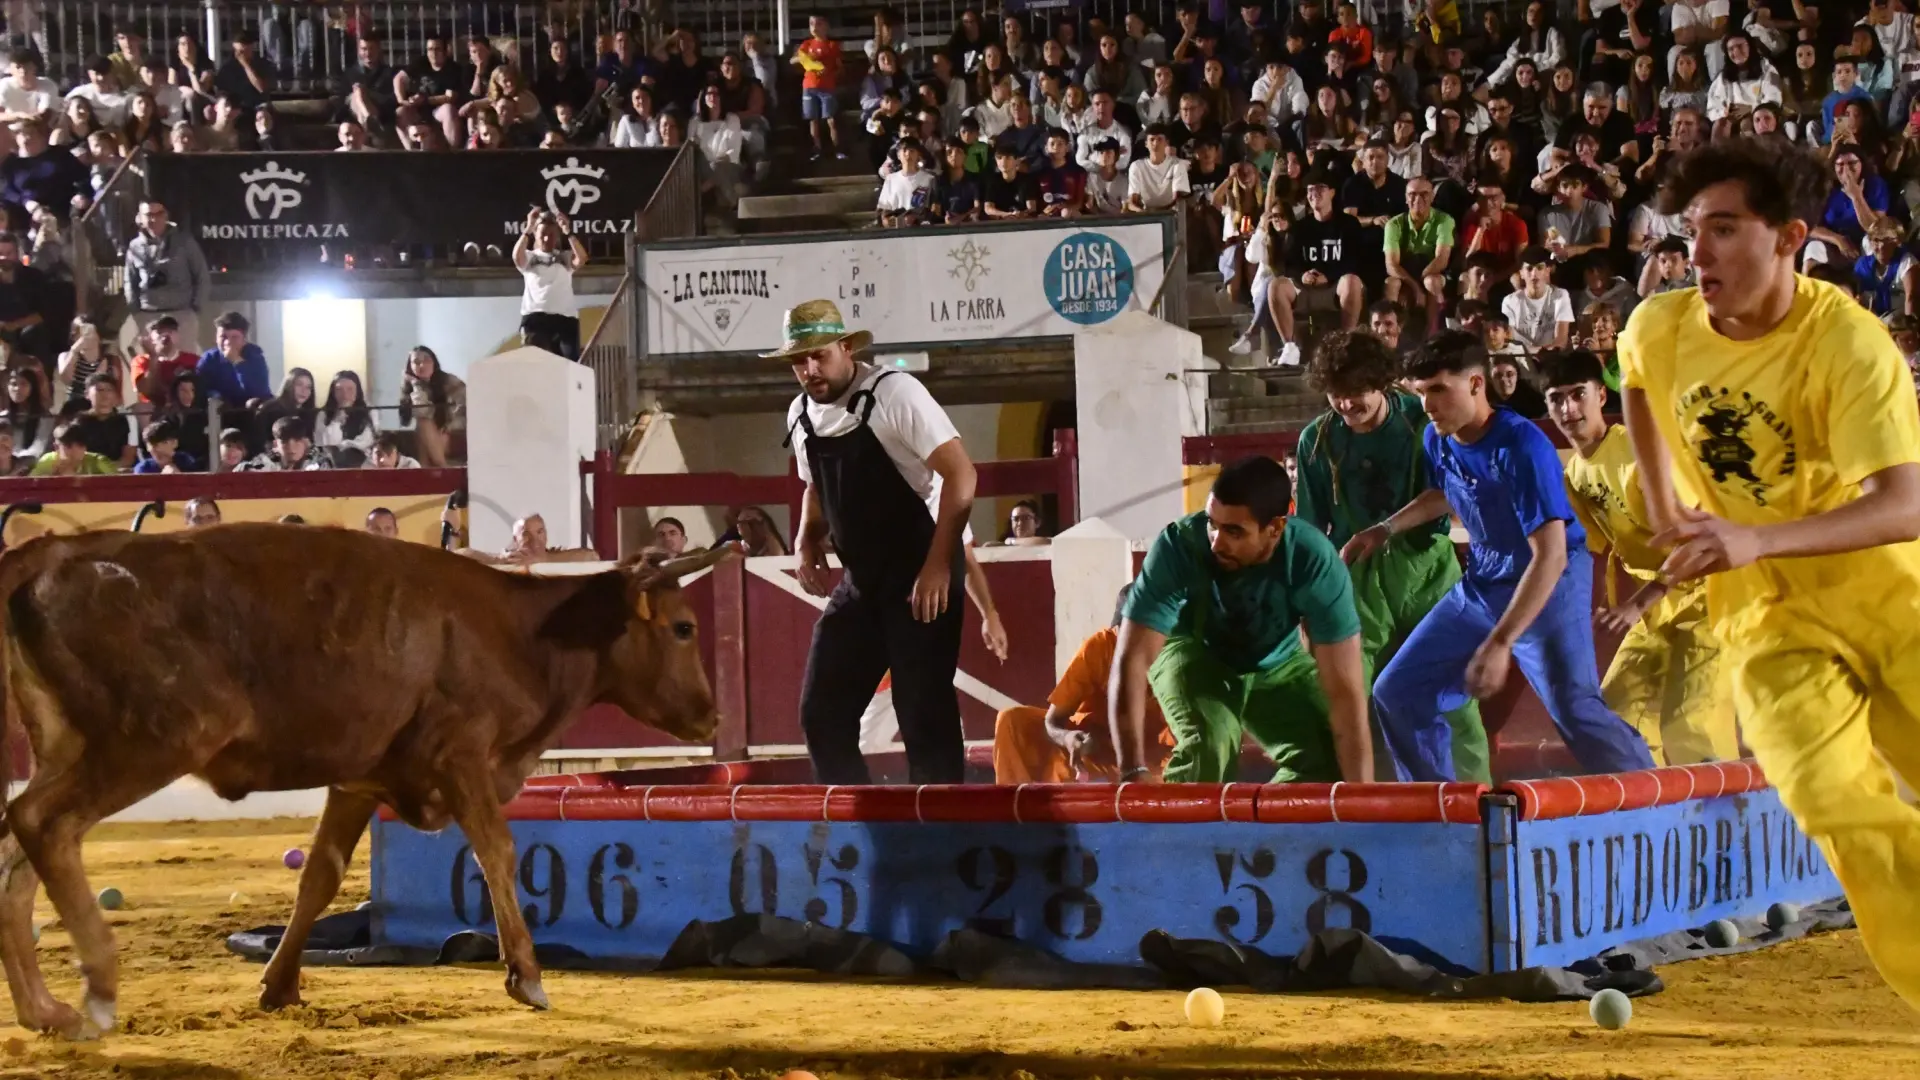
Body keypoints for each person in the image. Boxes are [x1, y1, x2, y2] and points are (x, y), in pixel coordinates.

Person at [1618, 140, 1920, 1011]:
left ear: (1790, 237)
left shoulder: (1849, 344)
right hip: (1766, 627)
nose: (1696, 253)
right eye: (1689, 232)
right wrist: (1668, 502)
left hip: (1890, 602)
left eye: (1722, 229)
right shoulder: (1659, 325)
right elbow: (1638, 381)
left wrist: (1755, 538)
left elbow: (1902, 503)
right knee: (1836, 809)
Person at [1356, 330, 1656, 781]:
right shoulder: (1439, 438)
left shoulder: (1522, 444)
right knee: (1397, 691)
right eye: (1420, 393)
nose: (1427, 404)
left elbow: (1551, 555)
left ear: (1477, 384)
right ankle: (1439, 815)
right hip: (1485, 580)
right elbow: (1447, 492)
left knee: (1575, 711)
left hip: (1550, 580)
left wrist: (1500, 643)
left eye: (1438, 389)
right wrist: (1385, 528)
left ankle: (1653, 801)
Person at [776, 299, 979, 785]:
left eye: (819, 355)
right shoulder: (800, 413)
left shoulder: (896, 393)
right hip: (861, 582)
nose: (809, 370)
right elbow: (814, 486)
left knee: (923, 718)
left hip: (919, 571)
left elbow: (962, 475)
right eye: (798, 361)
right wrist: (807, 539)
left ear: (846, 347)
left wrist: (937, 568)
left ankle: (944, 837)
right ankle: (856, 829)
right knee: (821, 713)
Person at [1294, 331, 1490, 784]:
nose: (1346, 405)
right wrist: (1306, 603)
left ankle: (1478, 801)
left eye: (1356, 392)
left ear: (1381, 382)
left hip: (1427, 569)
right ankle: (1379, 806)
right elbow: (1308, 529)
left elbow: (1449, 494)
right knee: (1354, 701)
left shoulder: (1424, 424)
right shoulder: (1317, 441)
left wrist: (1386, 529)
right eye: (1336, 395)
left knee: (1454, 696)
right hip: (1354, 582)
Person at [1110, 455, 1372, 784]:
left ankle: (1262, 832)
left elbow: (1345, 694)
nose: (1217, 541)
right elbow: (1131, 659)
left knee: (1335, 756)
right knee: (1210, 743)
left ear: (1275, 528)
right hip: (1194, 649)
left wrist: (1359, 806)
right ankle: (1174, 834)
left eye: (1234, 531)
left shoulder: (1312, 561)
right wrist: (1132, 770)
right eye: (1211, 523)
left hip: (1276, 658)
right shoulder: (1178, 546)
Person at [1537, 348, 1737, 765]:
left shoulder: (1637, 453)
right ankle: (1654, 823)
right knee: (1617, 718)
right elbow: (1586, 550)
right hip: (1654, 609)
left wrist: (1638, 603)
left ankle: (1725, 827)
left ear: (1601, 397)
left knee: (1692, 724)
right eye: (1556, 398)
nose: (1568, 408)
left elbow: (1699, 541)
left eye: (1578, 395)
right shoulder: (1574, 473)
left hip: (1709, 598)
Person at [994, 584, 1173, 782]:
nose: (1135, 640)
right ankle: (1012, 806)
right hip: (1096, 755)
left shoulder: (1176, 655)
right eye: (1127, 632)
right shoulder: (1100, 647)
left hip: (1152, 763)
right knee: (1011, 721)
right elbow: (1052, 722)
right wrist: (1067, 738)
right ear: (1117, 628)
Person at [122, 200, 207, 354]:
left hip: (182, 314)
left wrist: (196, 308)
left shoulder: (185, 242)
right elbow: (130, 280)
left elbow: (201, 275)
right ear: (140, 218)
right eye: (149, 215)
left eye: (159, 214)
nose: (154, 219)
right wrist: (135, 310)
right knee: (152, 366)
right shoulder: (135, 246)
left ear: (166, 215)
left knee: (184, 364)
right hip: (148, 315)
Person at [514, 208, 587, 361]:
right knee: (533, 365)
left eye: (552, 235)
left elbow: (581, 258)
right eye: (543, 235)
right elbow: (517, 257)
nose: (547, 239)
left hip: (565, 319)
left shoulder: (564, 257)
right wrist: (528, 228)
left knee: (569, 367)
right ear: (536, 236)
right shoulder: (530, 257)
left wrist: (568, 231)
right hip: (535, 318)